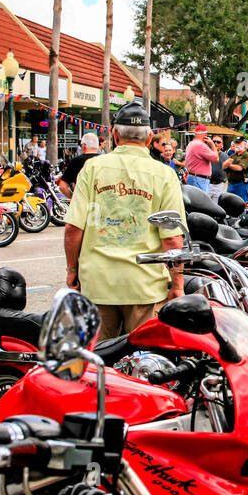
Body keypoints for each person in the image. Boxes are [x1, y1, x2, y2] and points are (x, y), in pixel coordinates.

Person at [64, 101, 187, 340]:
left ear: (114, 135)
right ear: (150, 137)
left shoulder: (92, 168)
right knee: (144, 365)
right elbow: (172, 237)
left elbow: (73, 228)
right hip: (145, 287)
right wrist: (177, 284)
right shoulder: (163, 174)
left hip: (98, 285)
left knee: (98, 364)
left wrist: (72, 270)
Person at [59, 132, 101, 197]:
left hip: (82, 203)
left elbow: (62, 186)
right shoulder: (105, 160)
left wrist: (73, 198)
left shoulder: (76, 161)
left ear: (84, 146)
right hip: (101, 202)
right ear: (98, 146)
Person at [183, 125, 219, 191]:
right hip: (199, 179)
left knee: (193, 200)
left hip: (193, 177)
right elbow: (216, 159)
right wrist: (212, 144)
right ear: (205, 134)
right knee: (200, 201)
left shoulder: (191, 144)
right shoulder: (200, 145)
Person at [224, 137, 248, 202]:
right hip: (231, 184)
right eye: (236, 143)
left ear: (245, 144)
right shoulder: (233, 155)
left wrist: (229, 164)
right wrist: (227, 164)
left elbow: (239, 168)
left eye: (239, 143)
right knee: (229, 204)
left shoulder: (247, 155)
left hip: (241, 184)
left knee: (241, 204)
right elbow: (223, 166)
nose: (237, 145)